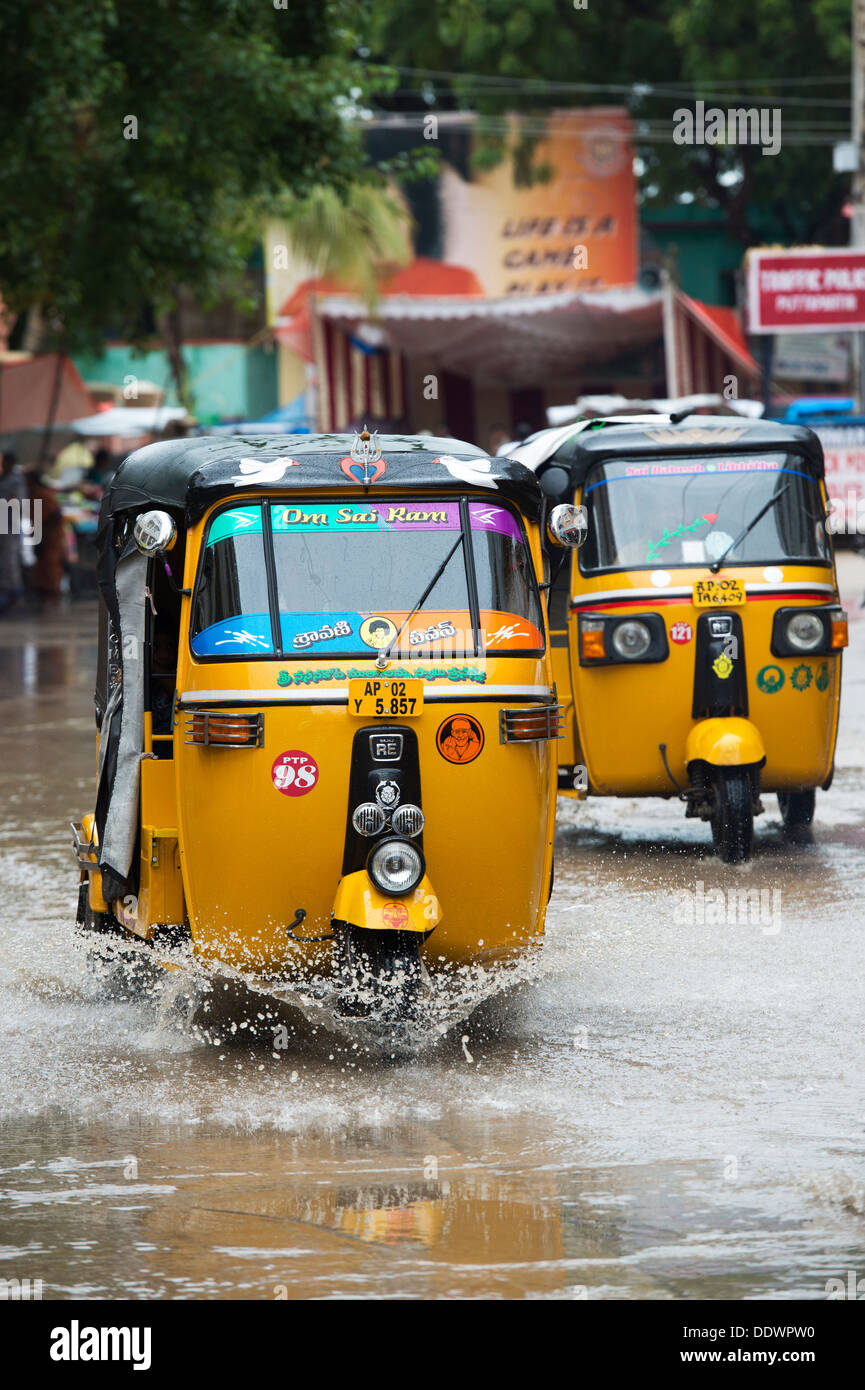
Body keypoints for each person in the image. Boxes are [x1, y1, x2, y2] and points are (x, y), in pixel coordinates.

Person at [25, 469, 66, 607]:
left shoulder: (42, 495)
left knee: (50, 565)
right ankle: (45, 596)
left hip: (50, 537)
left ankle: (52, 596)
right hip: (42, 537)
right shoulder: (34, 495)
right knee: (43, 566)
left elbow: (53, 513)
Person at [0, 450, 24, 614]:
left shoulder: (16, 481)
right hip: (3, 524)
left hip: (11, 525)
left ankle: (14, 595)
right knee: (5, 561)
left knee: (10, 561)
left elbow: (17, 502)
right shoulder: (4, 479)